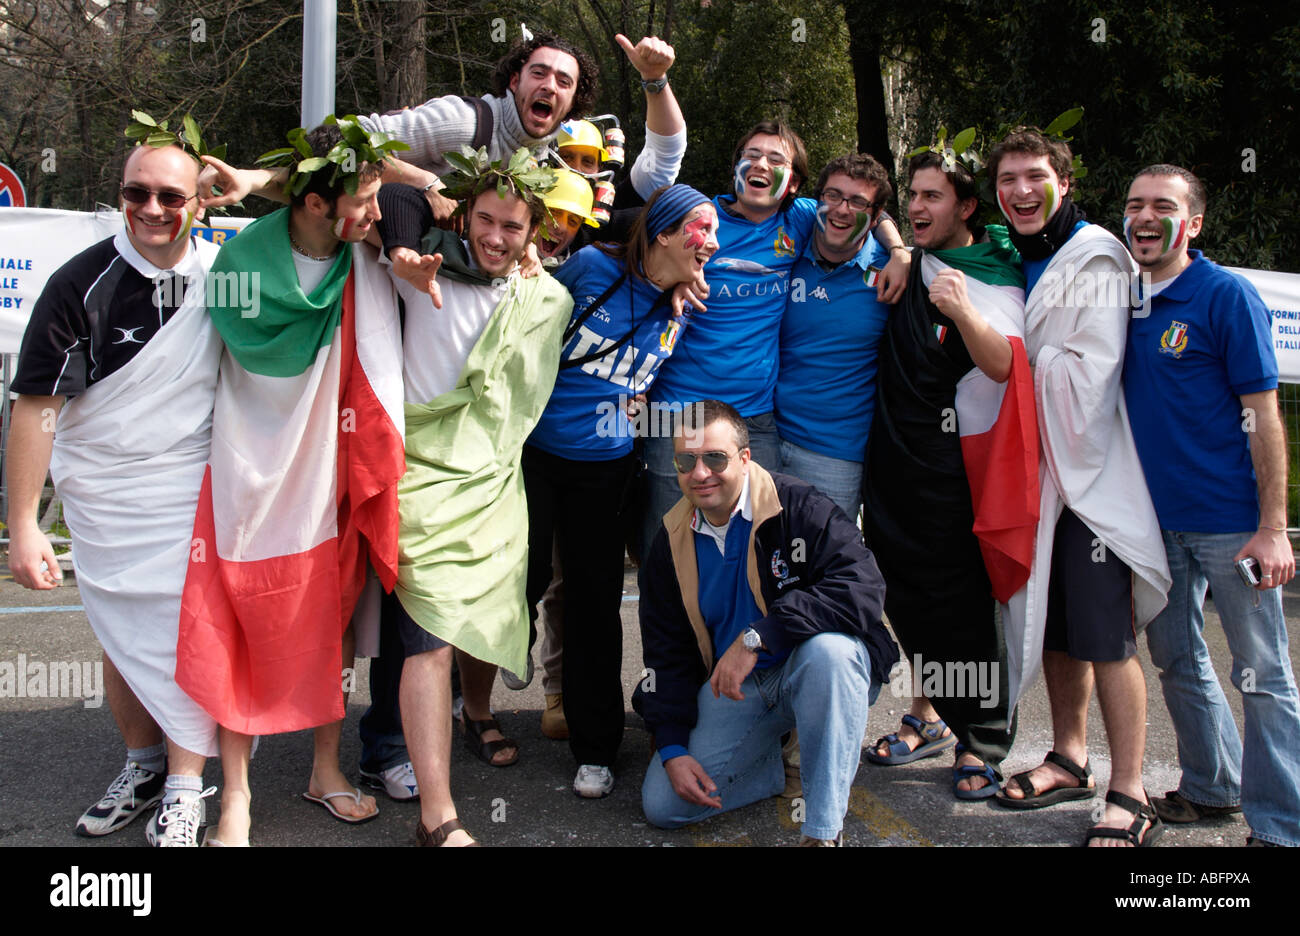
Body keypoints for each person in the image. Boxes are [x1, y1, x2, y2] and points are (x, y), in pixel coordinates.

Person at [176, 121, 407, 846]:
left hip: (327, 474)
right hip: (247, 470)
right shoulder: (241, 261)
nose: (377, 213)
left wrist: (249, 177)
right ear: (313, 203)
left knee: (329, 621)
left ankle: (325, 769)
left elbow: (427, 195)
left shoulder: (361, 257)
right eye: (365, 200)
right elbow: (198, 369)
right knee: (239, 625)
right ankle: (235, 796)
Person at [5, 140, 221, 846]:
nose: (151, 209)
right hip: (103, 495)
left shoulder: (227, 279)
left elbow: (326, 211)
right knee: (125, 635)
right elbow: (37, 406)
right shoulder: (80, 284)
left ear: (200, 201)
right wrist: (26, 526)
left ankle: (188, 786)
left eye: (170, 196)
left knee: (188, 632)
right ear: (119, 193)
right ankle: (143, 766)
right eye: (136, 193)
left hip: (191, 485)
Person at [378, 151, 571, 844]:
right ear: (461, 216)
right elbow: (355, 160)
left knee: (481, 615)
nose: (495, 237)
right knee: (426, 641)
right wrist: (420, 198)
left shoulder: (543, 299)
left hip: (492, 484)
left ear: (533, 233)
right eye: (484, 219)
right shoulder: (415, 267)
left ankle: (476, 716)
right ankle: (439, 815)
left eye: (512, 227)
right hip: (419, 482)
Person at [989, 128, 1171, 847]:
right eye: (1008, 180)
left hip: (1088, 477)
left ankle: (1131, 790)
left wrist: (1006, 354)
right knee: (1057, 625)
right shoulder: (1019, 255)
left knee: (1105, 637)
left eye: (1035, 177)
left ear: (1064, 183)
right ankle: (1070, 753)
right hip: (1039, 475)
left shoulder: (1094, 255)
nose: (1021, 191)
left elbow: (1087, 381)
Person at [1121, 164, 1300, 847]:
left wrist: (1273, 528)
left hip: (1233, 527)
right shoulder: (1125, 298)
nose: (1144, 215)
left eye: (1162, 205)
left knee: (1263, 675)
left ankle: (1282, 827)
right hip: (1154, 528)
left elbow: (1265, 413)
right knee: (1176, 659)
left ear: (1193, 222)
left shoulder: (1225, 295)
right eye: (1134, 203)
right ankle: (1211, 787)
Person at [524, 184, 719, 797]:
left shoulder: (681, 304)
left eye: (712, 234)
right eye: (699, 231)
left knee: (594, 608)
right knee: (517, 583)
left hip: (606, 469)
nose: (711, 244)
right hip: (532, 456)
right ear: (662, 234)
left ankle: (597, 747)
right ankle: (472, 693)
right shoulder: (590, 267)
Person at [641, 120, 911, 554]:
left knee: (756, 553)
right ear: (736, 167)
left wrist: (899, 250)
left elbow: (866, 211)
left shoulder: (803, 219)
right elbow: (635, 248)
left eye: (776, 159)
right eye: (752, 155)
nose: (761, 164)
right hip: (680, 411)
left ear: (794, 184)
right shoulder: (697, 219)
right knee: (669, 551)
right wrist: (671, 280)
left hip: (755, 419)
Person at [634, 400, 896, 845]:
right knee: (665, 806)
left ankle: (823, 829)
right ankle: (772, 763)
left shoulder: (798, 505)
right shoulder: (670, 539)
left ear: (744, 458)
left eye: (715, 458)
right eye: (686, 460)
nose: (700, 473)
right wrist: (673, 747)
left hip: (810, 670)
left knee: (830, 652)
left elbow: (862, 587)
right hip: (741, 688)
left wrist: (757, 638)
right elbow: (666, 652)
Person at [861, 149, 1035, 799]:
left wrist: (961, 308)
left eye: (932, 196)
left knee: (962, 607)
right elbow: (881, 228)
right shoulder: (913, 261)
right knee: (908, 600)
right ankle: (928, 717)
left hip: (955, 467)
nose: (917, 207)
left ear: (965, 206)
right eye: (913, 195)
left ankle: (980, 739)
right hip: (894, 462)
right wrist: (904, 251)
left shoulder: (995, 273)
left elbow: (1005, 366)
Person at [775, 152, 894, 520]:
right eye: (833, 196)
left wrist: (901, 253)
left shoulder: (892, 275)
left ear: (875, 217)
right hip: (763, 436)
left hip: (836, 456)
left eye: (858, 202)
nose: (842, 209)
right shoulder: (785, 250)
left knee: (821, 566)